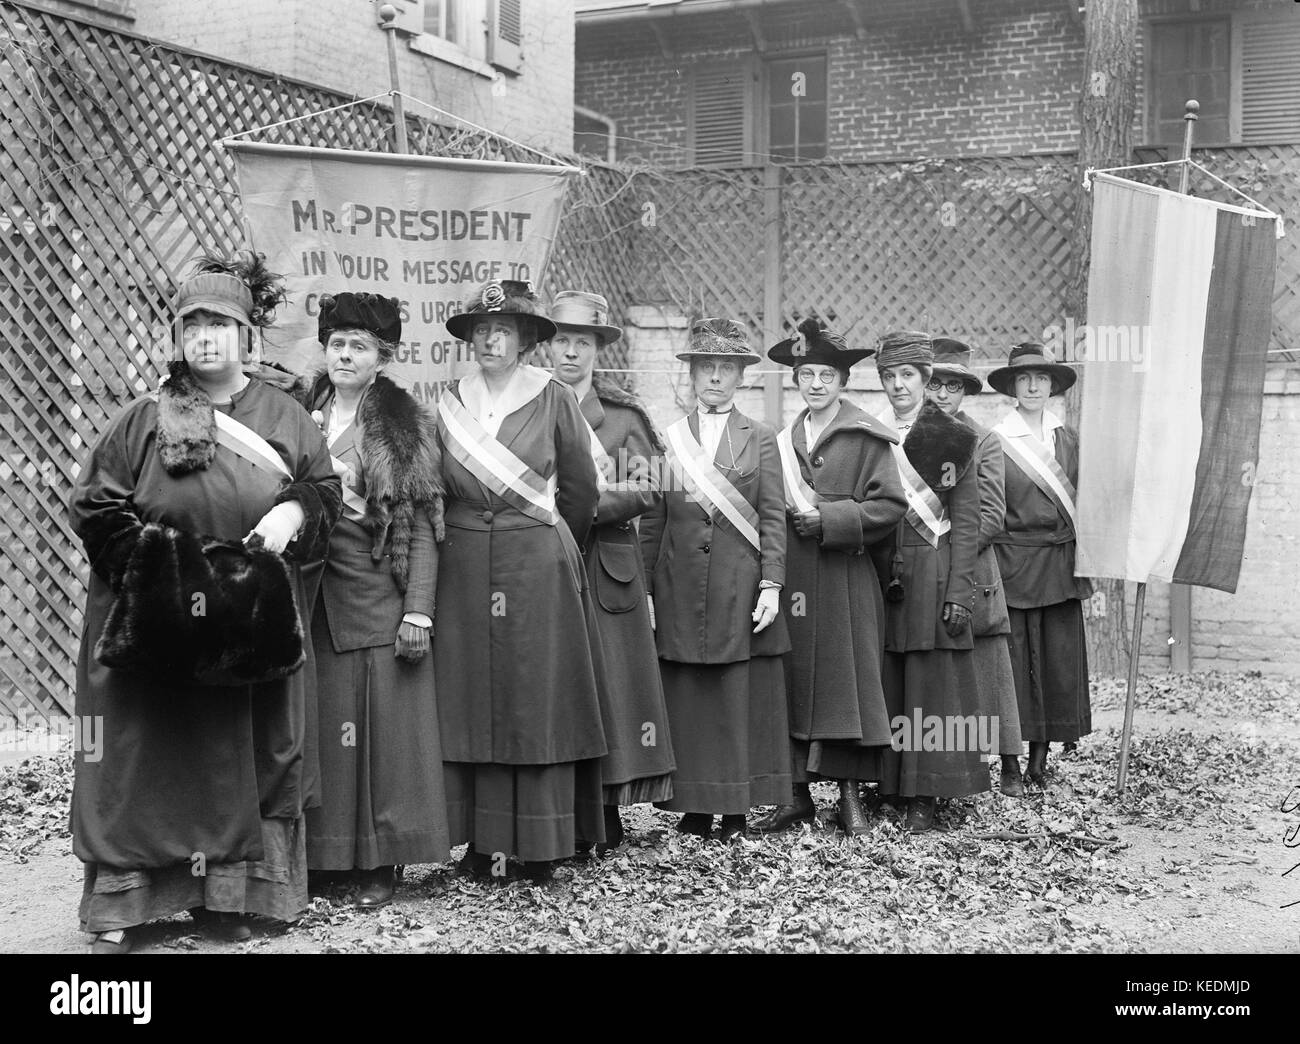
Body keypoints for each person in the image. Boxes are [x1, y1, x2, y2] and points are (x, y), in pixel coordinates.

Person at [69, 255, 342, 953]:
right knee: (140, 761)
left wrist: (293, 513)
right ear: (178, 335)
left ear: (245, 333)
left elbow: (325, 495)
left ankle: (233, 901)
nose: (206, 337)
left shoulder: (284, 415)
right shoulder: (141, 420)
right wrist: (165, 578)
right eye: (193, 324)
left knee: (244, 756)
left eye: (220, 323)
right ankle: (124, 907)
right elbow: (96, 507)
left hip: (245, 628)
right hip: (157, 626)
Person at [434, 280, 605, 885]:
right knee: (473, 695)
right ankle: (482, 842)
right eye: (481, 329)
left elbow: (581, 491)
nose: (490, 338)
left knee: (534, 697)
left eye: (502, 329)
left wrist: (553, 546)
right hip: (462, 564)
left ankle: (538, 840)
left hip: (534, 559)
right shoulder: (447, 399)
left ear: (527, 339)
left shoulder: (554, 396)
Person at [295, 292, 450, 906]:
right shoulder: (299, 410)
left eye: (359, 346)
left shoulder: (403, 421)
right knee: (330, 729)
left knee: (383, 734)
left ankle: (381, 863)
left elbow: (424, 521)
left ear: (382, 355)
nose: (345, 355)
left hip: (376, 589)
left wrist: (419, 607)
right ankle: (330, 858)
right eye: (336, 344)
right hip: (309, 593)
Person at [751, 318, 906, 835]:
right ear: (796, 380)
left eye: (826, 376)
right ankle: (796, 797)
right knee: (791, 681)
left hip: (845, 579)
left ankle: (848, 798)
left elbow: (890, 507)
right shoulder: (778, 441)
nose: (815, 384)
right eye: (806, 375)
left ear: (843, 382)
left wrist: (832, 518)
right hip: (794, 579)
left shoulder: (866, 438)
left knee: (848, 688)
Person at [639, 318, 791, 841]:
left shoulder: (763, 438)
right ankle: (695, 805)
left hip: (738, 584)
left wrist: (772, 583)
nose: (715, 378)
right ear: (694, 374)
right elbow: (654, 518)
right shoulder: (669, 438)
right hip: (678, 582)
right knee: (689, 695)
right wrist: (646, 591)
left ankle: (734, 807)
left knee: (733, 696)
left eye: (726, 368)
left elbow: (773, 516)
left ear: (741, 377)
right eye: (707, 367)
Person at [548, 290, 675, 854]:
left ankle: (605, 813)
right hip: (547, 566)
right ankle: (561, 811)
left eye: (582, 341)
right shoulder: (531, 405)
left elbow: (648, 488)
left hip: (605, 567)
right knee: (559, 683)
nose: (570, 351)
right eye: (561, 339)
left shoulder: (623, 418)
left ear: (598, 349)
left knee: (608, 688)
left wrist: (582, 505)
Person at [874, 331, 989, 833]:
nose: (898, 385)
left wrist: (959, 592)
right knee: (893, 680)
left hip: (937, 567)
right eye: (889, 377)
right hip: (886, 569)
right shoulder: (873, 432)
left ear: (925, 380)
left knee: (932, 685)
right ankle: (896, 785)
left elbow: (966, 522)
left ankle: (928, 792)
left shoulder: (953, 436)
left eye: (907, 376)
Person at [988, 342, 1092, 785]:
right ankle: (1009, 763)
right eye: (1025, 378)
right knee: (1011, 664)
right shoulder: (995, 439)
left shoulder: (1067, 440)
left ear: (1052, 386)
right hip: (1012, 563)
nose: (1033, 386)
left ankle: (1040, 761)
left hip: (1060, 565)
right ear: (1013, 385)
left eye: (1042, 378)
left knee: (1055, 662)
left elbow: (1086, 501)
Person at [926, 338, 1025, 797]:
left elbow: (991, 514)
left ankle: (1008, 763)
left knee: (990, 667)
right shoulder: (909, 434)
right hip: (924, 567)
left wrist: (952, 555)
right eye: (935, 384)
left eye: (952, 385)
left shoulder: (983, 439)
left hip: (972, 567)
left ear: (964, 391)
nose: (942, 394)